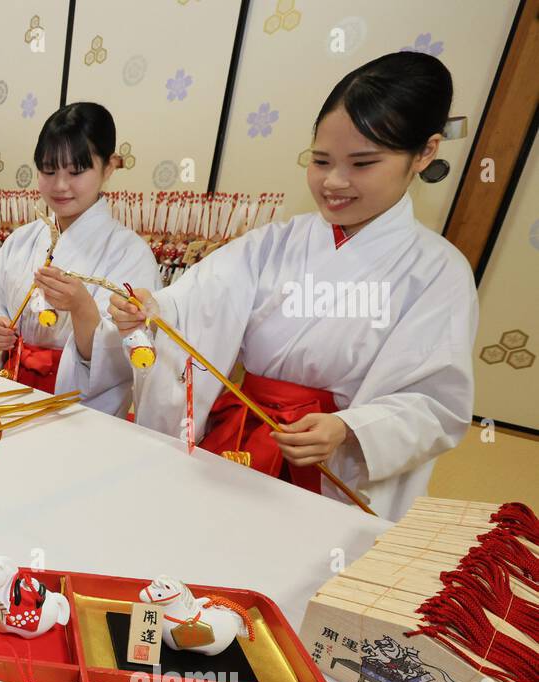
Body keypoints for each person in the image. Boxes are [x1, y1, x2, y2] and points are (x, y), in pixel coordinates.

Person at [105, 52, 476, 520]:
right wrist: (154, 309)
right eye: (321, 161)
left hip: (330, 456)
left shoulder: (438, 272)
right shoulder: (275, 242)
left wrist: (350, 427)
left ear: (424, 152)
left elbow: (435, 402)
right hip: (242, 435)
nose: (334, 181)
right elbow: (198, 302)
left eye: (362, 163)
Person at [0, 102, 157, 408]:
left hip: (79, 408)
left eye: (76, 171)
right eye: (48, 170)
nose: (59, 185)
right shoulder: (22, 240)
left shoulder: (131, 254)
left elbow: (132, 355)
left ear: (108, 167)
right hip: (8, 391)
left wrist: (83, 309)